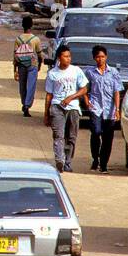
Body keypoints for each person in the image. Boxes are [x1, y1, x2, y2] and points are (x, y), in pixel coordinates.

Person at [43, 44, 88, 173]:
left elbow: (84, 88)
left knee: (72, 137)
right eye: (65, 56)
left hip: (73, 108)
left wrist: (72, 97)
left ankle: (68, 161)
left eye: (69, 56)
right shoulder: (52, 74)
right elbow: (49, 95)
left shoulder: (76, 71)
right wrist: (46, 114)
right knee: (58, 135)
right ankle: (59, 160)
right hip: (57, 107)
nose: (68, 59)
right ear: (59, 58)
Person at [84, 45, 122, 173]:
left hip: (110, 109)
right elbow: (84, 89)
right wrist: (87, 102)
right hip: (96, 107)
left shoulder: (114, 73)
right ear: (94, 58)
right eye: (98, 57)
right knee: (96, 131)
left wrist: (117, 109)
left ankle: (104, 164)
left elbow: (117, 91)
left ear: (106, 57)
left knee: (108, 138)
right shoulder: (89, 72)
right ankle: (95, 158)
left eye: (103, 57)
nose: (101, 59)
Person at [13, 15, 43, 117]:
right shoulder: (36, 39)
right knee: (31, 86)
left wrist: (15, 69)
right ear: (31, 25)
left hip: (21, 65)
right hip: (32, 64)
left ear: (22, 25)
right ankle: (27, 105)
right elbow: (39, 54)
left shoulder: (18, 39)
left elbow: (15, 56)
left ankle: (23, 102)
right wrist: (39, 65)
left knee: (22, 86)